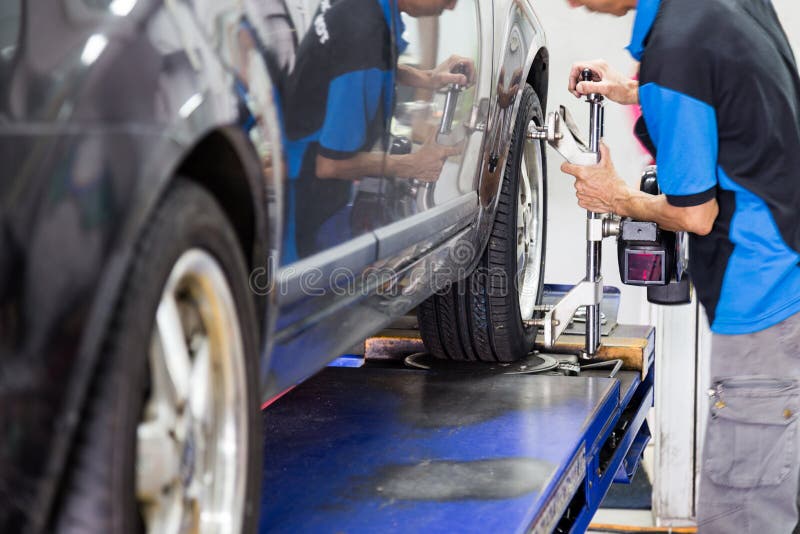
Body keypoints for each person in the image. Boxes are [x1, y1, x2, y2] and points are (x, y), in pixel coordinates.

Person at [560, 0, 800, 532]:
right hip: (791, 282)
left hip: (762, 305)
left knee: (743, 516)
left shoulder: (675, 50)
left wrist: (616, 197)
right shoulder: (714, 12)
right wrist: (637, 89)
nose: (573, 2)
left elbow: (693, 214)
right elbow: (729, 93)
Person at [280, 0, 471, 260]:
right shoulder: (366, 35)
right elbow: (330, 165)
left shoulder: (364, 11)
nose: (451, 6)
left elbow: (345, 61)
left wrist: (427, 78)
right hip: (308, 210)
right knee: (320, 292)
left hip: (301, 182)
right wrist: (412, 164)